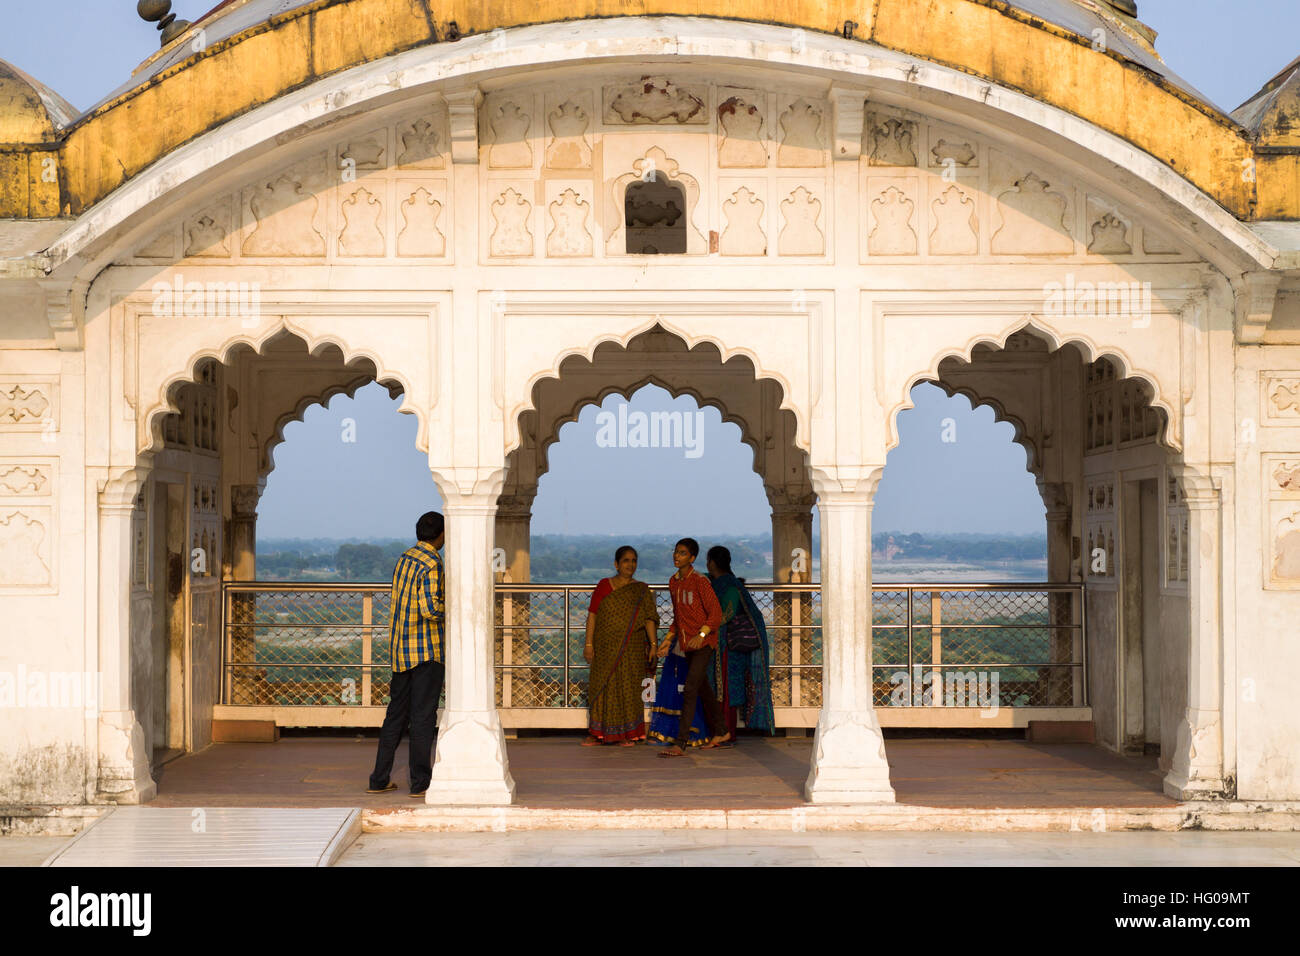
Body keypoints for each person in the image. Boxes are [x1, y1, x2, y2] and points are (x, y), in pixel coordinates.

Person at [367, 511, 446, 797]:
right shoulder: (432, 562)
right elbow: (429, 609)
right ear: (441, 534)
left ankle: (379, 778)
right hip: (426, 651)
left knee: (395, 717)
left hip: (401, 650)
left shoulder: (405, 557)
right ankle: (420, 782)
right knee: (423, 718)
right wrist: (453, 610)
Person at [656, 537, 729, 757]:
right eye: (676, 552)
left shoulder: (700, 581)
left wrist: (702, 634)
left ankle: (681, 742)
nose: (677, 556)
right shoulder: (674, 582)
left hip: (704, 643)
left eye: (683, 553)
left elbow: (715, 613)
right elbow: (678, 618)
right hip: (687, 643)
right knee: (703, 688)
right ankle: (722, 731)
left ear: (693, 558)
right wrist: (668, 639)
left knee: (690, 689)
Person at [582, 545, 658, 745]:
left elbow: (649, 618)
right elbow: (593, 615)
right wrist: (588, 644)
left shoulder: (640, 590)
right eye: (626, 560)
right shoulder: (604, 585)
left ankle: (627, 734)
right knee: (602, 687)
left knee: (628, 689)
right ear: (616, 564)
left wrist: (653, 644)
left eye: (634, 561)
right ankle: (598, 733)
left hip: (631, 648)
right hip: (604, 647)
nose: (630, 565)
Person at [706, 545, 775, 741]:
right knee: (723, 690)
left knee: (724, 691)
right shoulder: (729, 584)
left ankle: (724, 732)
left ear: (711, 562)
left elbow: (725, 615)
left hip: (727, 648)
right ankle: (721, 731)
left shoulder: (728, 586)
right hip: (724, 646)